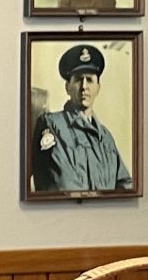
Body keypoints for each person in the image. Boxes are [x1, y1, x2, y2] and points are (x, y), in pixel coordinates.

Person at [31, 43, 131, 194]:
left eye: (90, 80)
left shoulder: (106, 138)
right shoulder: (51, 125)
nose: (84, 86)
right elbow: (62, 183)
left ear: (98, 88)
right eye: (78, 79)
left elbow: (126, 186)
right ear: (67, 87)